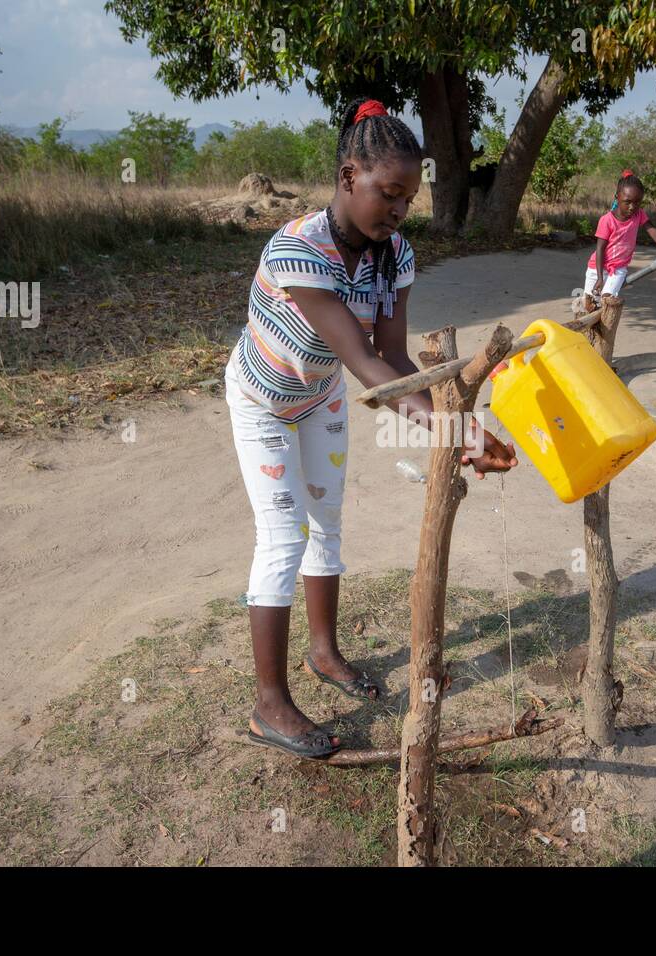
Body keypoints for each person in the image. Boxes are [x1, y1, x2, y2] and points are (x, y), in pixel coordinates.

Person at [223, 97, 518, 759]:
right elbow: (364, 365)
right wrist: (456, 435)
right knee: (283, 536)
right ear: (349, 176)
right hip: (263, 402)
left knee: (326, 523)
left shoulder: (394, 257)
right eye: (389, 193)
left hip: (320, 396)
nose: (398, 210)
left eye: (408, 199)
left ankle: (324, 653)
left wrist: (457, 422)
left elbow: (394, 357)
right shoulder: (296, 250)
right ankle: (267, 705)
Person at [582, 169, 656, 313]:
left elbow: (651, 229)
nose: (632, 207)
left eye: (637, 202)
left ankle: (604, 332)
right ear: (617, 197)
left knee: (608, 301)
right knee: (588, 305)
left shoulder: (639, 214)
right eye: (627, 202)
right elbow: (600, 249)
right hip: (597, 268)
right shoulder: (607, 220)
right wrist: (600, 278)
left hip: (618, 270)